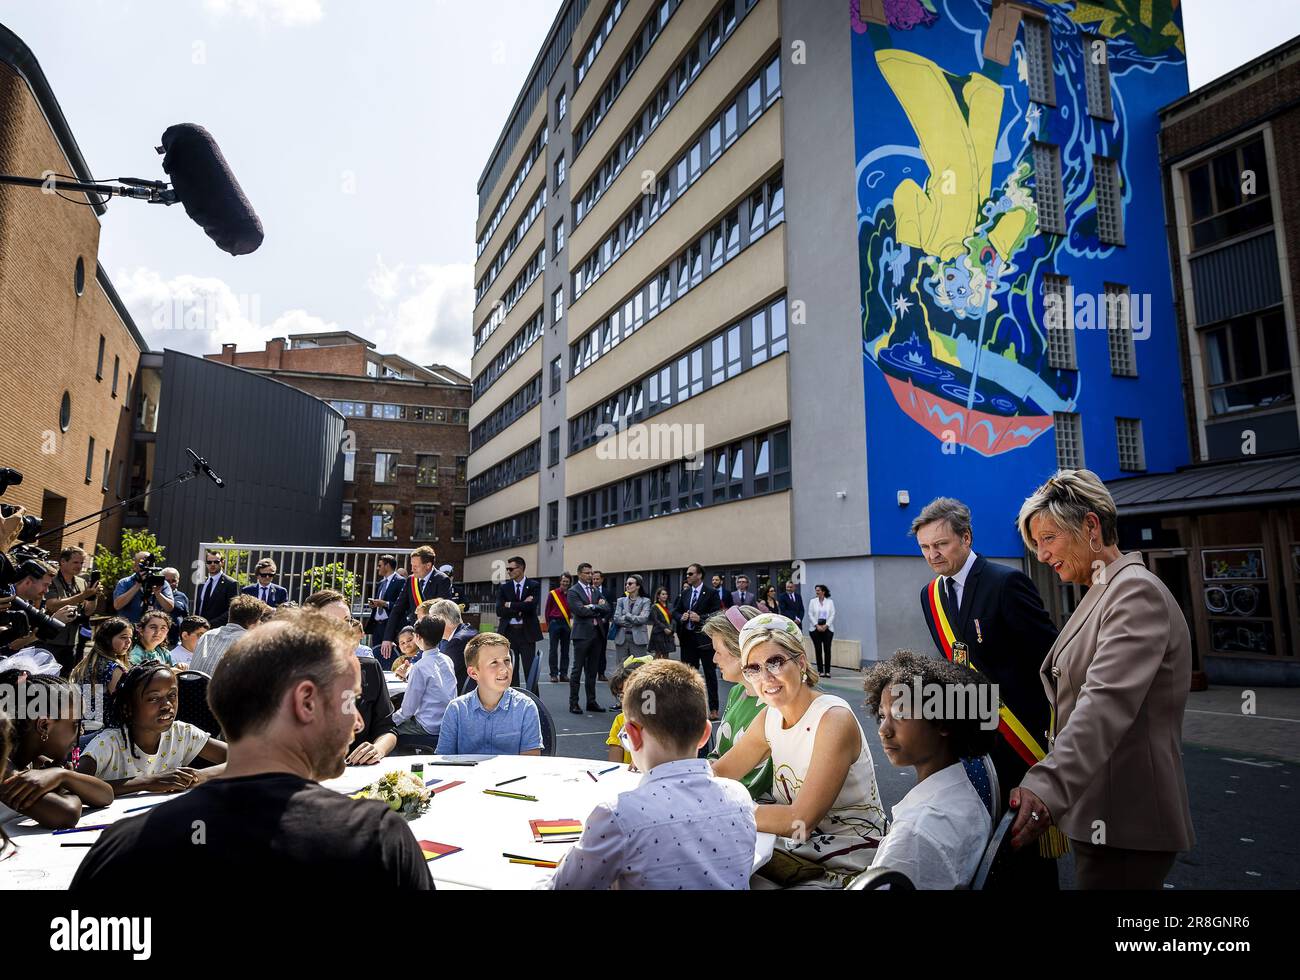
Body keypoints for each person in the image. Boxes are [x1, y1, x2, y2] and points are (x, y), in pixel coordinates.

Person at [71, 609, 433, 890]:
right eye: (349, 700)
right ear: (306, 701)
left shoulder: (123, 847)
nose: (357, 722)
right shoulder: (376, 840)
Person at [1010, 470, 1195, 890]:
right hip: (1102, 807)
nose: (1041, 555)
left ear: (1091, 526)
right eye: (1036, 544)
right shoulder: (1106, 588)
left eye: (1049, 538)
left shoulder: (1133, 592)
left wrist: (1046, 785)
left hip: (1128, 815)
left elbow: (1104, 703)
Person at [911, 495, 1060, 888]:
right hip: (974, 735)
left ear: (966, 537)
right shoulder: (931, 596)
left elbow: (1051, 659)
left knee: (1025, 839)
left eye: (941, 544)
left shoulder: (1006, 582)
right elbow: (950, 664)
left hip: (1021, 735)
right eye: (925, 547)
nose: (933, 554)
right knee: (983, 836)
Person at [547, 660, 757, 890]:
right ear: (705, 733)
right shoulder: (740, 799)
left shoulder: (618, 815)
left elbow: (565, 886)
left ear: (632, 735)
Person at [714, 614, 885, 888]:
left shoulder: (832, 718)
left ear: (801, 662)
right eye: (754, 668)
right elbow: (721, 771)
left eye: (775, 662)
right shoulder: (770, 715)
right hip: (796, 854)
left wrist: (723, 810)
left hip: (849, 864)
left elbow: (800, 820)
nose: (766, 677)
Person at [863, 651, 998, 889]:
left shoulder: (916, 833)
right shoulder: (968, 790)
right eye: (883, 715)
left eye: (900, 714)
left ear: (944, 722)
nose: (883, 730)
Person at [78, 661, 228, 796]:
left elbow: (244, 759)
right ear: (128, 708)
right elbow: (73, 787)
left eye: (172, 695)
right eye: (153, 698)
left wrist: (196, 776)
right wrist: (147, 782)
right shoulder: (108, 743)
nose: (167, 705)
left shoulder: (182, 734)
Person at [0, 669, 113, 829]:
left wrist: (62, 775)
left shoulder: (34, 759)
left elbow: (106, 795)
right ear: (44, 726)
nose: (81, 731)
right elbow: (66, 814)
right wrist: (63, 782)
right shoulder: (3, 766)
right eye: (75, 724)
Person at [301, 590, 397, 765]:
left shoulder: (369, 668)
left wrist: (378, 749)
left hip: (359, 778)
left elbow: (387, 728)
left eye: (347, 621)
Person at [701, 606, 772, 799]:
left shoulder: (773, 706)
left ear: (741, 650)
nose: (714, 659)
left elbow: (755, 783)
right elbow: (717, 755)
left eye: (717, 650)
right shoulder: (737, 692)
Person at [436, 633, 543, 757]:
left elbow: (531, 762)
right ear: (474, 673)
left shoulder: (525, 707)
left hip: (512, 776)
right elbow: (443, 760)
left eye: (507, 661)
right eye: (494, 663)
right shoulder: (456, 710)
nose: (504, 669)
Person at [390, 616, 456, 750]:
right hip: (448, 722)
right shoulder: (447, 660)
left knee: (386, 731)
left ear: (417, 637)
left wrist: (389, 721)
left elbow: (407, 711)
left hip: (427, 726)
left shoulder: (419, 667)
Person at [380, 545, 453, 658]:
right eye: (412, 565)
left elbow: (442, 612)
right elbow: (397, 609)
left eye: (416, 566)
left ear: (428, 565)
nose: (412, 569)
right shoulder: (411, 580)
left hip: (433, 638)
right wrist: (387, 638)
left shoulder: (442, 580)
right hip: (416, 636)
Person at [672, 563, 721, 720]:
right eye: (687, 574)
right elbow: (675, 611)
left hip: (705, 640)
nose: (688, 576)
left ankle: (713, 708)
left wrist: (701, 618)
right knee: (688, 675)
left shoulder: (711, 593)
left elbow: (717, 614)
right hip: (687, 639)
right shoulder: (685, 593)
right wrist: (681, 617)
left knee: (709, 674)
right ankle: (689, 707)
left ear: (699, 575)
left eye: (690, 574)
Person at [70, 618, 133, 739]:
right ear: (108, 639)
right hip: (105, 732)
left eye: (130, 637)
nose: (128, 642)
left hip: (83, 727)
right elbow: (122, 702)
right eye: (123, 637)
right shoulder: (113, 668)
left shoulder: (88, 663)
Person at [42, 546, 100, 676]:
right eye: (75, 562)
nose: (79, 566)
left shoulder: (81, 582)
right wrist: (82, 596)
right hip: (51, 640)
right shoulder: (51, 579)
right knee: (46, 678)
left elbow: (88, 611)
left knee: (67, 678)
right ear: (63, 561)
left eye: (81, 563)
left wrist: (93, 596)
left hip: (73, 641)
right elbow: (51, 605)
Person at [567, 563, 610, 714]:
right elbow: (579, 610)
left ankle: (591, 701)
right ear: (579, 574)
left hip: (597, 634)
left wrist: (591, 607)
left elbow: (607, 608)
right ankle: (574, 703)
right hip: (581, 635)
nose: (590, 576)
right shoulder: (573, 591)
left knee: (592, 671)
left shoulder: (595, 590)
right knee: (577, 669)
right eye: (587, 573)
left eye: (591, 573)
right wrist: (596, 607)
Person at [188, 594, 268, 676]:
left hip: (189, 688)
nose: (261, 624)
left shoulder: (207, 635)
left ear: (230, 615)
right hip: (217, 688)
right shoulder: (249, 643)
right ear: (251, 623)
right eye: (259, 620)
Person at [497, 555, 542, 687]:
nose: (508, 572)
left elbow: (531, 607)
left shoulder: (533, 585)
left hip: (527, 633)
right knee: (511, 669)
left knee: (530, 669)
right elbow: (499, 610)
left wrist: (510, 604)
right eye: (507, 569)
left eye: (511, 569)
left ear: (521, 568)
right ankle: (514, 701)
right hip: (509, 633)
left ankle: (534, 702)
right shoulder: (504, 588)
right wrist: (521, 606)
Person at [605, 655, 652, 766]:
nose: (625, 702)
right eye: (621, 695)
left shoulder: (664, 723)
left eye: (632, 694)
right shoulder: (621, 720)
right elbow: (614, 766)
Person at [112, 551, 176, 624]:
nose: (147, 567)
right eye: (143, 564)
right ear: (135, 567)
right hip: (129, 628)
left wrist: (158, 593)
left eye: (150, 564)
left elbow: (169, 608)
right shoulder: (125, 582)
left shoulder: (162, 583)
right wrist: (137, 586)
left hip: (152, 629)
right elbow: (117, 605)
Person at [428, 598, 477, 692]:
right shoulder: (466, 630)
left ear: (442, 618)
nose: (431, 626)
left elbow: (439, 676)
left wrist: (410, 673)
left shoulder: (457, 641)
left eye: (432, 620)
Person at [365, 554, 403, 651]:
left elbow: (403, 605)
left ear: (387, 566)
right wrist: (374, 604)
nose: (378, 568)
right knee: (377, 652)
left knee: (390, 654)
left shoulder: (400, 581)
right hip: (377, 626)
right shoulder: (381, 583)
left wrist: (385, 604)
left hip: (390, 625)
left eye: (380, 565)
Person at [192, 550, 237, 627]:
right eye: (209, 562)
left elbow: (232, 610)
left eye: (216, 562)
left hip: (219, 629)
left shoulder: (230, 583)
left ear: (222, 562)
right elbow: (199, 608)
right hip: (199, 629)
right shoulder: (202, 583)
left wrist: (210, 624)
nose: (212, 564)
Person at [613, 574, 650, 660]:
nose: (627, 586)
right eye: (626, 584)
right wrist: (633, 621)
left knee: (638, 667)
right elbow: (616, 618)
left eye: (630, 583)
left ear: (638, 586)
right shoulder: (621, 601)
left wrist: (627, 615)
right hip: (622, 638)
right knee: (621, 667)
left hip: (638, 639)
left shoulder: (645, 601)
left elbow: (643, 619)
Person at [545, 572, 573, 682]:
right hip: (555, 623)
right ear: (560, 581)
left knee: (565, 650)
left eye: (567, 581)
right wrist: (549, 625)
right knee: (553, 650)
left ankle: (564, 674)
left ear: (569, 582)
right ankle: (553, 674)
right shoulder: (553, 593)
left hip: (566, 623)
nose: (565, 583)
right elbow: (547, 610)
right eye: (563, 581)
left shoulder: (572, 594)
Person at [808, 584, 835, 678]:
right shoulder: (812, 601)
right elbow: (810, 614)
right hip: (815, 628)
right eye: (816, 590)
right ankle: (820, 671)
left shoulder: (830, 602)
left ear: (823, 591)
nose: (817, 592)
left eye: (818, 590)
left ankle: (827, 671)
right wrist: (817, 625)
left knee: (827, 650)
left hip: (827, 628)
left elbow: (832, 614)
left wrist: (826, 625)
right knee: (818, 649)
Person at [591, 570, 612, 681]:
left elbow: (610, 609)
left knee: (602, 649)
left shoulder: (607, 592)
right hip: (591, 624)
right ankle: (591, 673)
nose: (595, 581)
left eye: (597, 579)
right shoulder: (588, 591)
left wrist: (605, 619)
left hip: (603, 624)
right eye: (593, 579)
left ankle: (601, 673)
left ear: (602, 579)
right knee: (591, 649)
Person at [161, 567, 189, 643]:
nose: (171, 584)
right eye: (167, 581)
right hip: (158, 639)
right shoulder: (156, 596)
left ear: (178, 581)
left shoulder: (182, 596)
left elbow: (186, 617)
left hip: (175, 640)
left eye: (174, 580)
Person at [648, 586, 675, 658]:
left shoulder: (670, 606)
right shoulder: (655, 606)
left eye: (666, 594)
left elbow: (673, 619)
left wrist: (671, 629)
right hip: (658, 633)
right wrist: (664, 628)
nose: (665, 596)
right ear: (658, 596)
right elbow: (655, 620)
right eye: (663, 594)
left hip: (668, 633)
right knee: (658, 654)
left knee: (666, 654)